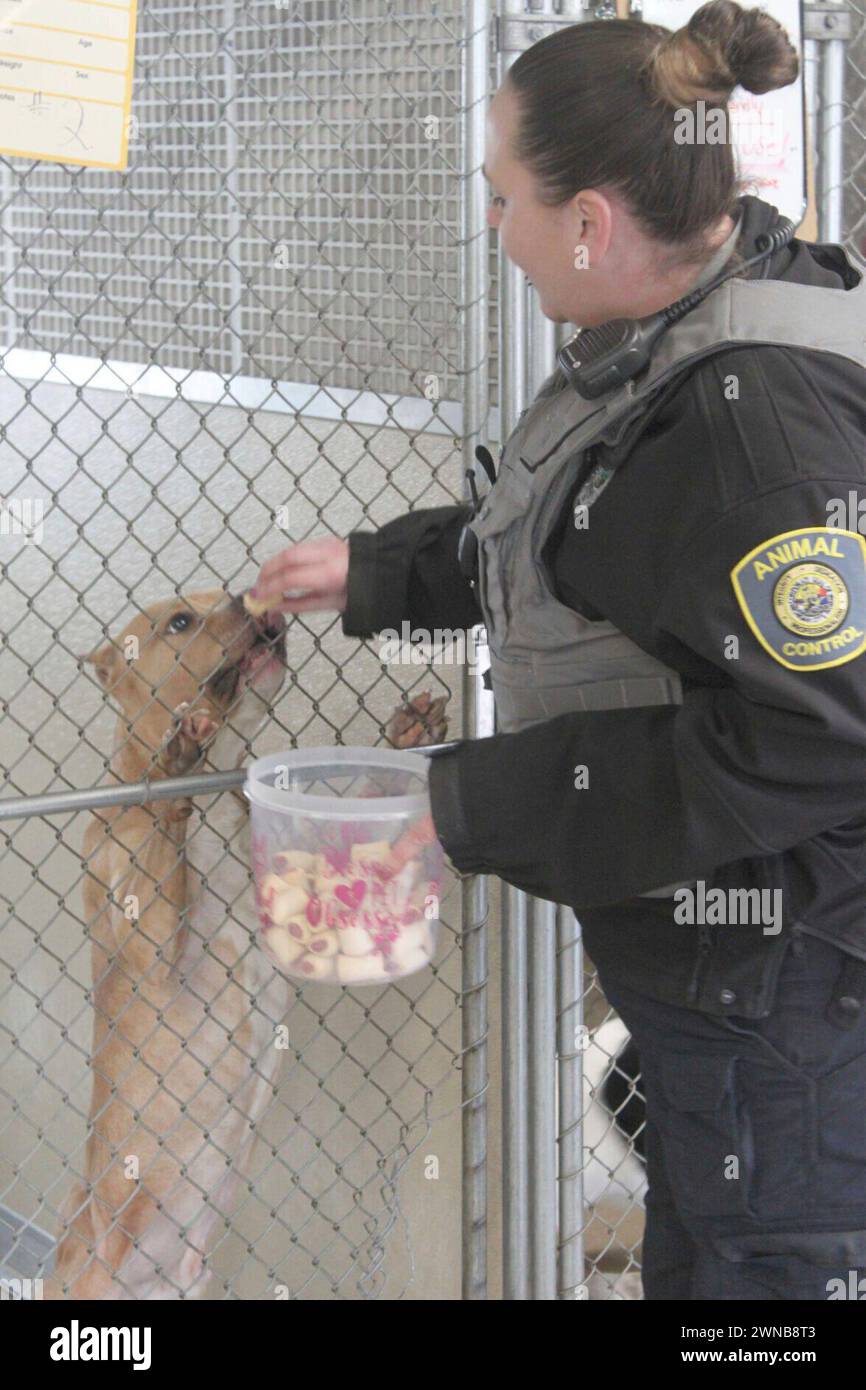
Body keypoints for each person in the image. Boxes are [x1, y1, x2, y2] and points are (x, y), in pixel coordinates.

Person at [251, 2, 866, 1300]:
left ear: (587, 222)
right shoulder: (673, 322)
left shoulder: (754, 427)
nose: (494, 228)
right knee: (703, 1248)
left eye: (502, 199)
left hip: (787, 974)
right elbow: (582, 529)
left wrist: (464, 801)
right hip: (714, 965)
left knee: (763, 1275)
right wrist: (378, 572)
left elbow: (813, 734)